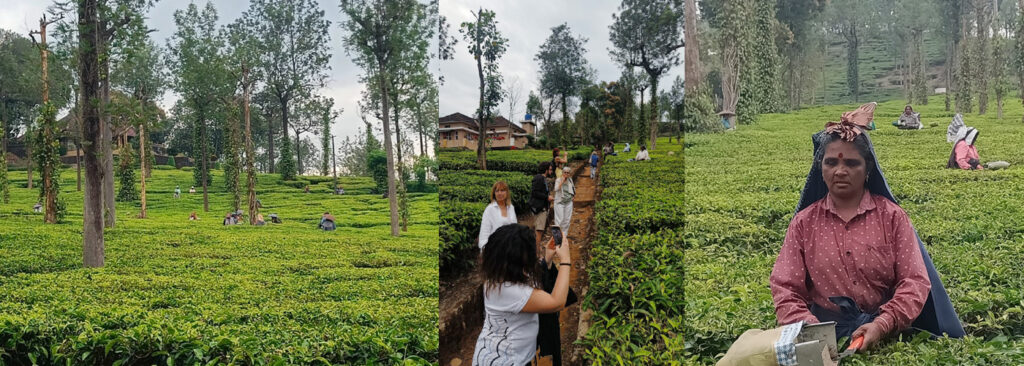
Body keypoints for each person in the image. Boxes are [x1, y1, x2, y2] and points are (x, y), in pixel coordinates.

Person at [770, 102, 964, 352]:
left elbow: (914, 281)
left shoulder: (892, 218)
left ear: (868, 168)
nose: (840, 171)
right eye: (831, 163)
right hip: (822, 340)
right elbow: (785, 286)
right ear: (821, 168)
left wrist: (883, 324)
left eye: (851, 164)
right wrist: (812, 332)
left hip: (887, 337)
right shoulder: (804, 223)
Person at [472, 224, 573, 366]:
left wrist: (547, 259)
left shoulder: (497, 276)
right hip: (505, 360)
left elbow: (531, 278)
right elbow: (557, 302)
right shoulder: (509, 291)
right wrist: (565, 261)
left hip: (496, 353)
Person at [478, 181, 518, 250]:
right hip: (494, 249)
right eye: (497, 191)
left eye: (502, 190)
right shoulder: (489, 209)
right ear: (494, 194)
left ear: (507, 192)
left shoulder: (511, 207)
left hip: (510, 249)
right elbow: (484, 234)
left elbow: (515, 229)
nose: (499, 193)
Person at [530, 162, 555, 247]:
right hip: (539, 209)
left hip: (542, 208)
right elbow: (535, 192)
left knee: (539, 232)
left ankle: (538, 252)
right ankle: (537, 254)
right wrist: (546, 197)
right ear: (546, 170)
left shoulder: (542, 178)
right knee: (539, 232)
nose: (551, 171)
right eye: (550, 169)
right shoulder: (539, 178)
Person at [553, 166, 575, 233]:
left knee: (567, 220)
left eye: (568, 173)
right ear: (562, 173)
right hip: (560, 202)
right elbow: (556, 189)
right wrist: (561, 182)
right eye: (565, 172)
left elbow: (573, 188)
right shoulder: (558, 180)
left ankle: (564, 236)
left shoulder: (570, 180)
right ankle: (557, 237)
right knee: (560, 220)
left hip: (568, 202)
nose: (566, 174)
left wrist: (573, 195)